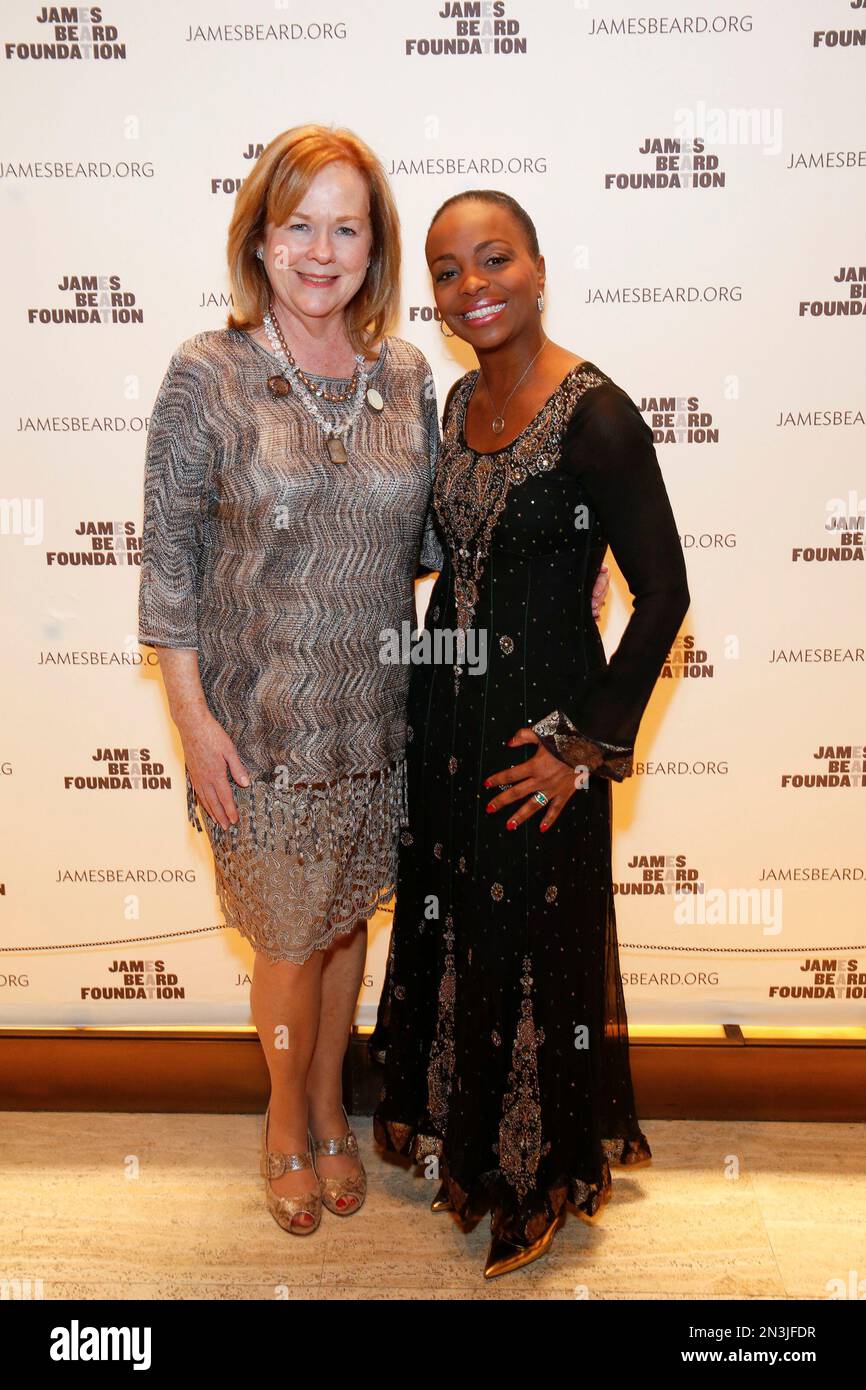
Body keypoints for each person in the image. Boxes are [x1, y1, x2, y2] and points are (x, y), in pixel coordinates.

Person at [372, 189, 690, 1278]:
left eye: (493, 259)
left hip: (537, 745)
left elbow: (661, 597)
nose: (473, 287)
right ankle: (456, 1129)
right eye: (449, 271)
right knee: (453, 925)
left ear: (539, 267)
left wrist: (583, 747)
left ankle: (536, 1175)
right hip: (447, 722)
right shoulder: (456, 400)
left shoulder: (594, 412)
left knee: (530, 956)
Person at [137, 124, 444, 1236]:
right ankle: (282, 1119)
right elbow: (167, 563)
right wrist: (191, 722)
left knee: (343, 921)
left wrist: (563, 557)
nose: (323, 250)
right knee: (282, 936)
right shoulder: (206, 374)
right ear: (260, 242)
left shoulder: (404, 376)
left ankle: (328, 1108)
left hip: (374, 721)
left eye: (346, 226)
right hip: (255, 723)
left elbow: (437, 541)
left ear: (375, 246)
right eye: (299, 225)